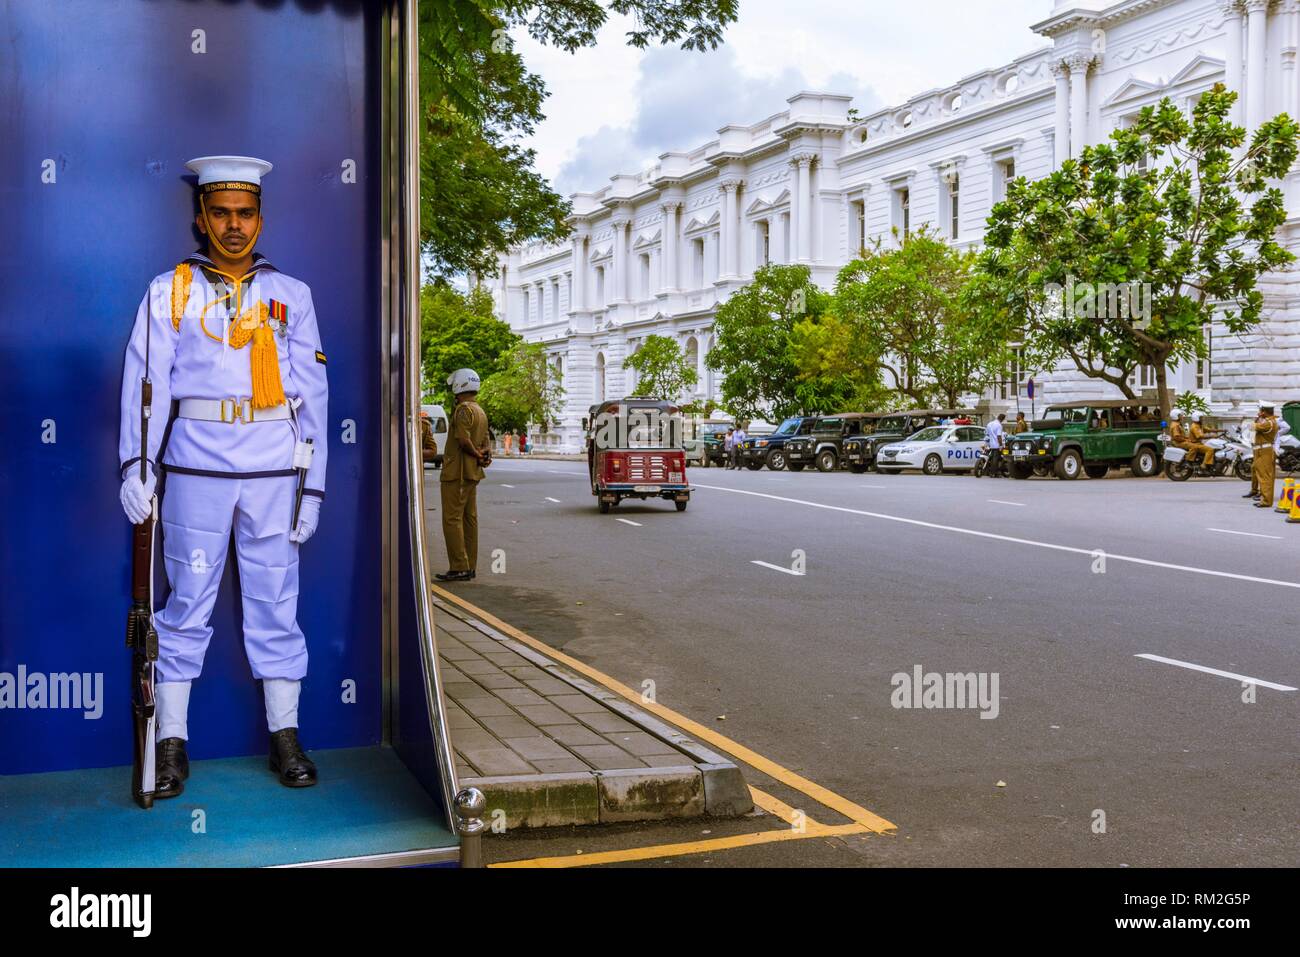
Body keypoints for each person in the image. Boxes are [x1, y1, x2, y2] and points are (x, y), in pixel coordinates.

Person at [118, 155, 328, 795]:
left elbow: (313, 395)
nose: (233, 225)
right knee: (185, 607)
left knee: (276, 602)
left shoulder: (291, 295)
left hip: (271, 467)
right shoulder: (169, 291)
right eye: (221, 213)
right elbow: (145, 384)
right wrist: (137, 463)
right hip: (196, 465)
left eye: (245, 214)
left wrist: (311, 484)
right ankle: (172, 743)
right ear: (202, 218)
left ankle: (285, 736)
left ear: (260, 220)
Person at [436, 368, 491, 582]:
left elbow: (463, 440)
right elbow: (485, 439)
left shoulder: (463, 410)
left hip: (456, 472)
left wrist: (476, 453)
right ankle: (469, 566)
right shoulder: (479, 410)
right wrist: (484, 455)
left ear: (460, 386)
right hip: (471, 472)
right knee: (469, 519)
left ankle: (458, 566)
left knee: (452, 519)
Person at [1249, 401, 1279, 507]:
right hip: (1262, 450)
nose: (1259, 412)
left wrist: (1257, 418)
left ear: (1264, 411)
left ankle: (1266, 501)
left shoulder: (1268, 423)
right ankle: (1264, 498)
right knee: (1262, 475)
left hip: (1264, 451)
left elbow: (1252, 426)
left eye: (1260, 410)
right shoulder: (1269, 421)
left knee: (1265, 476)